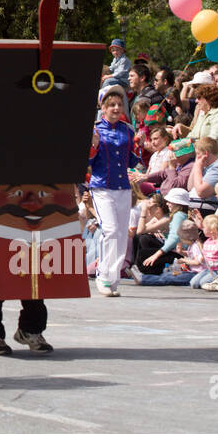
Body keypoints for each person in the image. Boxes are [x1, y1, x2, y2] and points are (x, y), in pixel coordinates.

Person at [89, 83, 134, 295]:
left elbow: (133, 159)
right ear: (104, 108)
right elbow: (88, 160)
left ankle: (113, 278)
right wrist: (94, 145)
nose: (116, 108)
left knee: (121, 233)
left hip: (123, 187)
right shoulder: (96, 129)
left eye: (119, 104)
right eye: (112, 105)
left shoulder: (128, 130)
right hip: (102, 187)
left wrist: (143, 147)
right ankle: (103, 275)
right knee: (110, 229)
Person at [184, 83, 218, 159]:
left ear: (208, 99)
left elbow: (214, 141)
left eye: (199, 98)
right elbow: (192, 135)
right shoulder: (202, 114)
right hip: (205, 158)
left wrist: (194, 143)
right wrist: (179, 145)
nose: (196, 101)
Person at [187, 137, 218, 209]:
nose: (197, 157)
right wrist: (196, 165)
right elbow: (190, 187)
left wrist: (198, 167)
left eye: (198, 154)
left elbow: (201, 192)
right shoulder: (203, 165)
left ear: (206, 153)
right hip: (197, 207)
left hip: (209, 210)